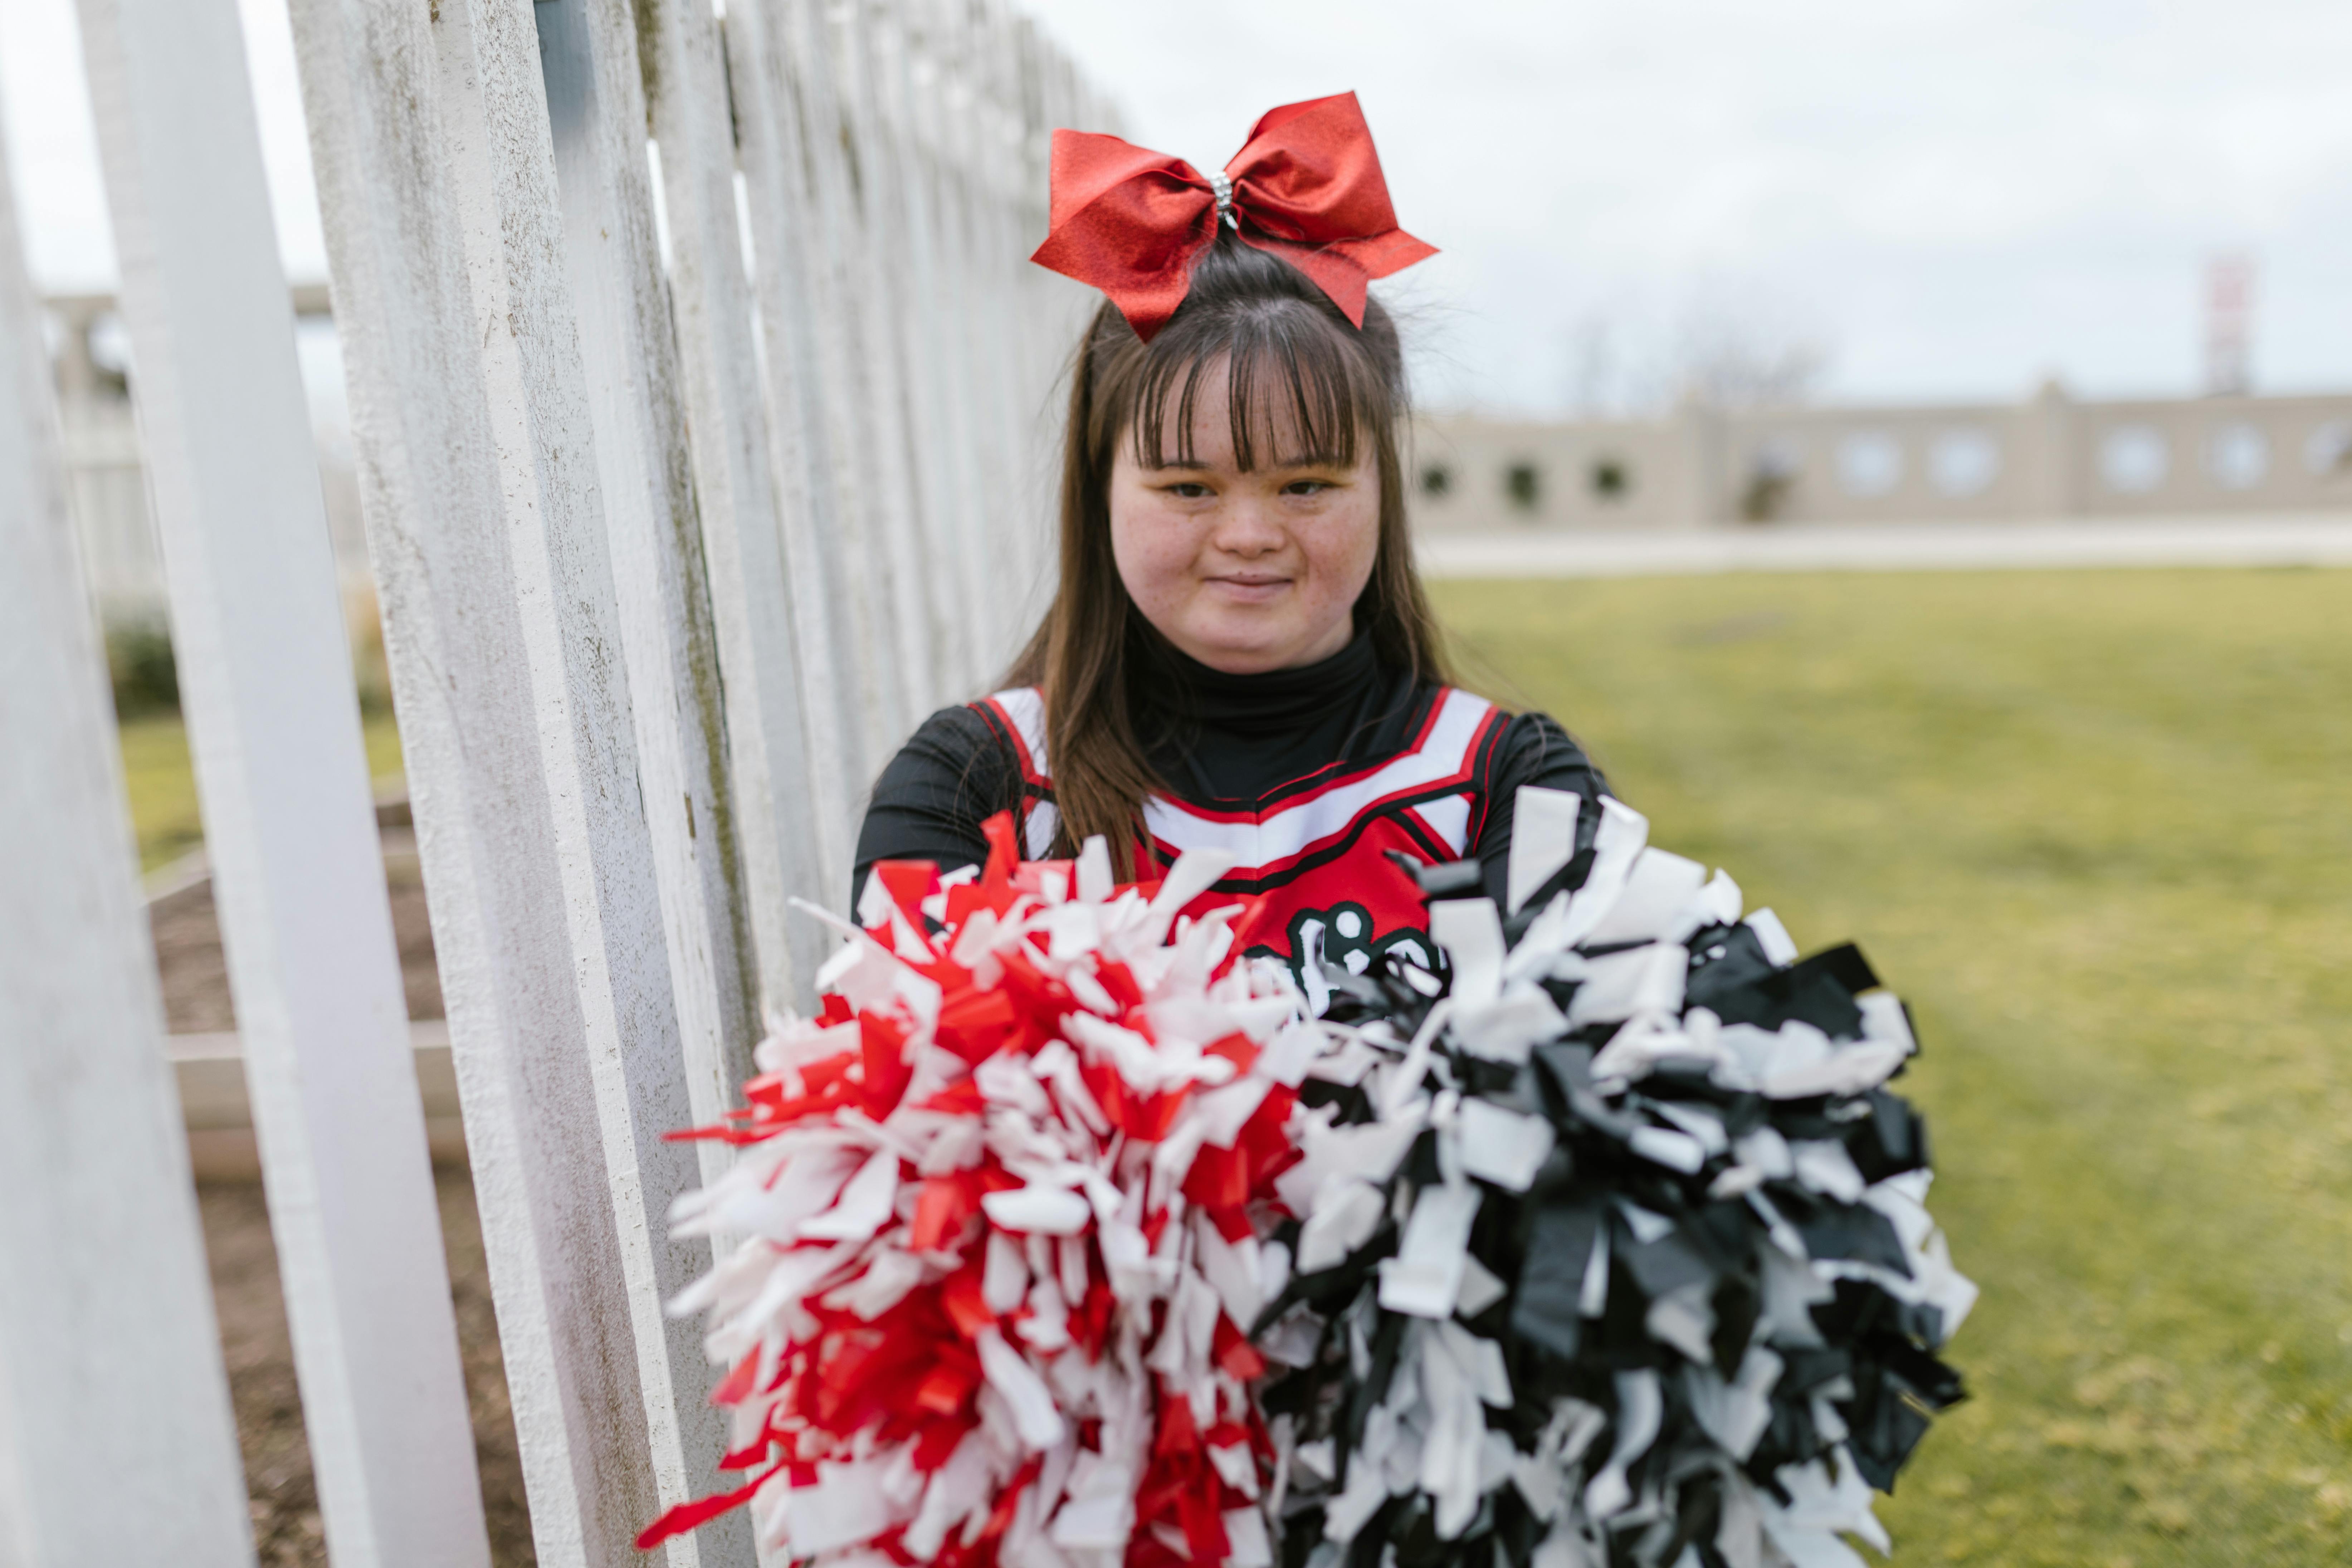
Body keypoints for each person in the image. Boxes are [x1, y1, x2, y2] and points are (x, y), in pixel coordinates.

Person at [855, 93, 1610, 996]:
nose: (1248, 536)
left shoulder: (1510, 788)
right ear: (1100, 493)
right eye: (1186, 487)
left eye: (1305, 485)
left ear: (1381, 493)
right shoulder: (973, 788)